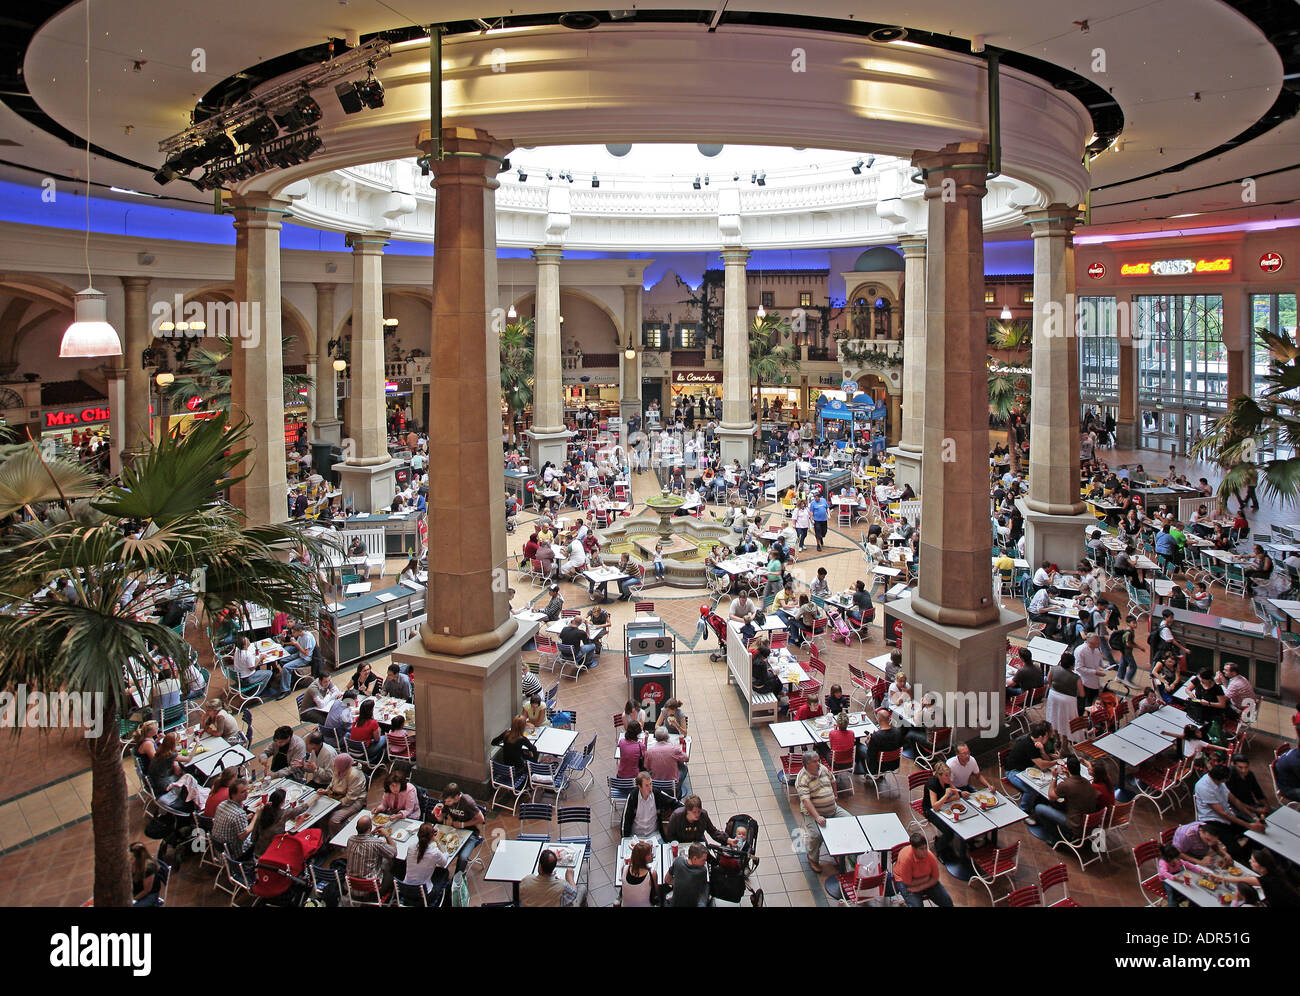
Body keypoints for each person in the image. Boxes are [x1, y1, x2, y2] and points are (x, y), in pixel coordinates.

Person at [795, 750, 851, 873]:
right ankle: (813, 859)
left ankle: (838, 853)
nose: (818, 763)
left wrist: (835, 795)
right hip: (813, 812)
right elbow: (806, 801)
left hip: (833, 809)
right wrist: (817, 817)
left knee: (850, 822)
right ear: (807, 764)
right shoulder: (802, 778)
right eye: (815, 762)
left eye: (818, 760)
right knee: (816, 835)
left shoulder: (823, 769)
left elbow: (833, 781)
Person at [1033, 756, 1099, 842]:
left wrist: (1054, 778)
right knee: (1056, 804)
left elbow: (1051, 796)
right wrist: (1068, 776)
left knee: (1039, 808)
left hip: (1075, 825)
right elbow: (1074, 789)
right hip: (1087, 822)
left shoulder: (1067, 785)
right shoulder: (1086, 781)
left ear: (1068, 768)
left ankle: (1054, 838)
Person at [1193, 764, 1265, 834]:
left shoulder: (1219, 782)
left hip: (1227, 814)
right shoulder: (1204, 788)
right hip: (1212, 820)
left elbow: (1235, 800)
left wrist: (1254, 817)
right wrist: (1249, 826)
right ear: (1223, 779)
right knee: (1234, 843)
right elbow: (1222, 814)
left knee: (1256, 831)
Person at [889, 832, 953, 907]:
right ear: (914, 849)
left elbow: (935, 878)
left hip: (924, 878)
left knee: (947, 901)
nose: (925, 851)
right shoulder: (906, 859)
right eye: (921, 849)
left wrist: (922, 885)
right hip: (905, 881)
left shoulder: (931, 857)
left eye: (925, 848)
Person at [251, 787, 311, 857]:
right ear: (282, 802)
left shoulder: (263, 811)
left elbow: (253, 837)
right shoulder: (284, 813)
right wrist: (317, 796)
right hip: (272, 853)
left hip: (258, 852)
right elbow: (302, 808)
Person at [345, 812, 397, 893]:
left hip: (352, 885)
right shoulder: (376, 843)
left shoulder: (350, 840)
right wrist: (387, 835)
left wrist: (371, 833)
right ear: (370, 827)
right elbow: (393, 853)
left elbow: (364, 839)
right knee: (392, 867)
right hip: (371, 887)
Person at [403, 823, 453, 899]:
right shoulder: (434, 853)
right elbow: (444, 863)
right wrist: (438, 843)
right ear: (432, 836)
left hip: (406, 890)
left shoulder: (411, 847)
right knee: (445, 873)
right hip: (424, 895)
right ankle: (445, 898)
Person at [321, 754, 368, 836]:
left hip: (355, 801)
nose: (334, 766)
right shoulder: (338, 770)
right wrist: (326, 791)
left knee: (334, 820)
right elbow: (332, 784)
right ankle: (326, 837)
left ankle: (340, 839)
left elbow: (350, 798)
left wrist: (335, 805)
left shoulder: (355, 775)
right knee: (322, 814)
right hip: (337, 799)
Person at [213, 778, 259, 860]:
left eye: (246, 790)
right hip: (234, 855)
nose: (246, 793)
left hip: (219, 851)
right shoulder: (239, 814)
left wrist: (246, 817)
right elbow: (243, 836)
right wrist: (256, 816)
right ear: (233, 795)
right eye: (242, 792)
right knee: (259, 833)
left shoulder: (222, 805)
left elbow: (231, 820)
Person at [621, 771, 676, 840]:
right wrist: (625, 840)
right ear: (639, 787)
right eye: (646, 785)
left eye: (650, 784)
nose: (650, 788)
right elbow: (625, 821)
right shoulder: (633, 797)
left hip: (655, 835)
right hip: (637, 837)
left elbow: (674, 802)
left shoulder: (656, 793)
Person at [664, 795, 730, 845]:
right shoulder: (676, 816)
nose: (697, 814)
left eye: (699, 811)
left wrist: (727, 839)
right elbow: (670, 836)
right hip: (681, 844)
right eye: (694, 812)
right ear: (687, 811)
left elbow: (713, 831)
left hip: (698, 843)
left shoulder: (703, 815)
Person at [1046, 652, 1082, 742]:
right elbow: (1082, 693)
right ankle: (1064, 745)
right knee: (1067, 721)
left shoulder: (1054, 669)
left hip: (1053, 695)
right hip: (1068, 700)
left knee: (1053, 716)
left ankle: (1057, 739)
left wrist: (1053, 687)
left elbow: (1048, 680)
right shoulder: (1076, 677)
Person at [665, 842, 710, 907]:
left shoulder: (678, 861)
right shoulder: (702, 871)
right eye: (703, 860)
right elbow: (702, 889)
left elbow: (667, 880)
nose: (705, 863)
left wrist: (679, 883)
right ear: (694, 859)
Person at [646, 727, 689, 794]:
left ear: (656, 738)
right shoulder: (674, 749)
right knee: (684, 768)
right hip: (672, 786)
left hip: (656, 785)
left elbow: (647, 767)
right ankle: (678, 789)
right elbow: (686, 758)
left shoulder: (649, 752)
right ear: (667, 737)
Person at [1226, 754, 1269, 821]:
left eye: (1246, 767)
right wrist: (1256, 810)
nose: (1244, 770)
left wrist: (1266, 806)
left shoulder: (1250, 775)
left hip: (1251, 804)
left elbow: (1258, 792)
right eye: (1240, 767)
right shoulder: (1228, 778)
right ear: (1234, 765)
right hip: (1236, 808)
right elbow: (1235, 801)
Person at [620, 840, 659, 907]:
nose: (652, 854)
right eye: (649, 854)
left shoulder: (624, 868)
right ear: (643, 858)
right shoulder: (652, 874)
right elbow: (656, 892)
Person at [349, 698, 387, 763]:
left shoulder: (356, 719)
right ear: (371, 711)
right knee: (385, 738)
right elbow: (377, 739)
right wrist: (379, 729)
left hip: (351, 750)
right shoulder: (373, 723)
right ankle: (381, 759)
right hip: (363, 753)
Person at [129, 842, 164, 907]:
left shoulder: (148, 868)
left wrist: (133, 900)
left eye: (131, 858)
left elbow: (147, 890)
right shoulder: (132, 864)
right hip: (136, 891)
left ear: (138, 858)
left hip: (148, 894)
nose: (128, 860)